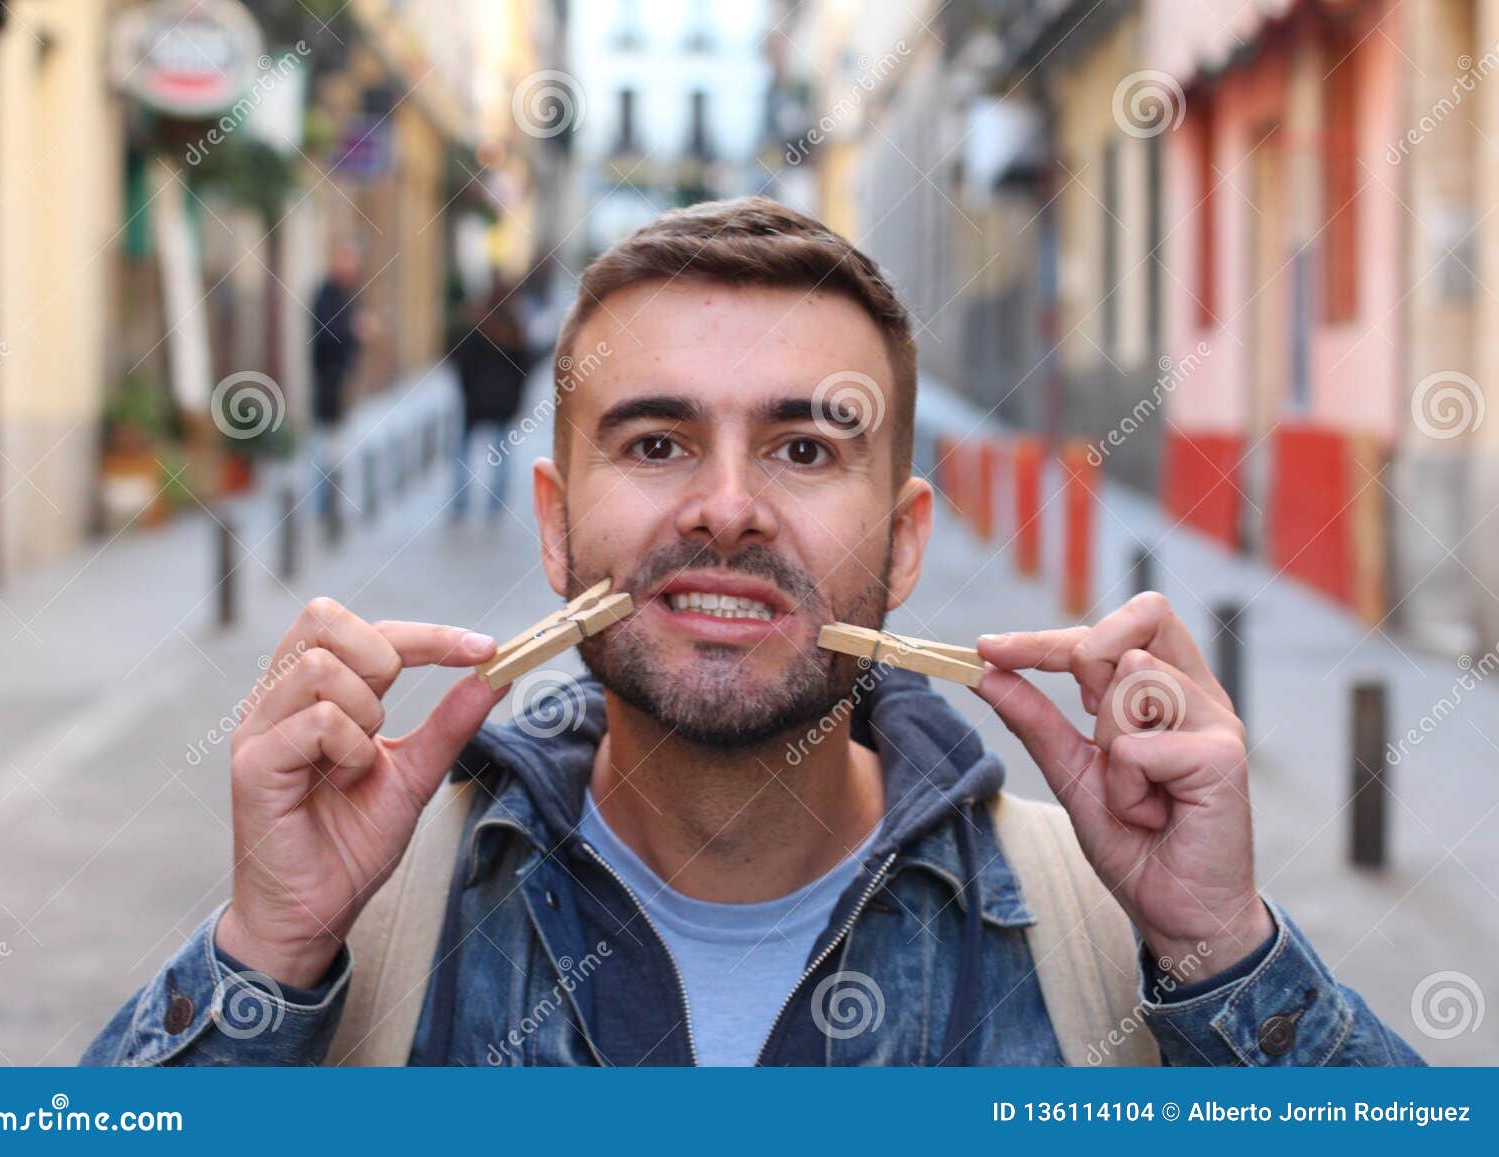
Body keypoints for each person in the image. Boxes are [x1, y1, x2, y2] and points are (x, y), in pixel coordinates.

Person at [82, 198, 1423, 1067]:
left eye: (803, 445)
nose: (726, 509)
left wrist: (1222, 952)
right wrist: (267, 949)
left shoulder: (1100, 954)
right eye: (657, 441)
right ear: (556, 528)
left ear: (903, 541)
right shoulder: (379, 934)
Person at [450, 279, 530, 523]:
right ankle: (495, 503)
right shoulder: (515, 330)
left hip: (475, 402)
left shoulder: (476, 328)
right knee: (502, 451)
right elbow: (524, 368)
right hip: (503, 402)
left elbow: (461, 362)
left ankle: (461, 502)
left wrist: (467, 392)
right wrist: (517, 399)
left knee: (463, 451)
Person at [309, 242, 366, 532]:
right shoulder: (327, 295)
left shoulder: (343, 295)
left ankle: (329, 505)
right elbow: (328, 338)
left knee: (333, 447)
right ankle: (321, 506)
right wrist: (355, 332)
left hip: (337, 382)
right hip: (328, 383)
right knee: (324, 448)